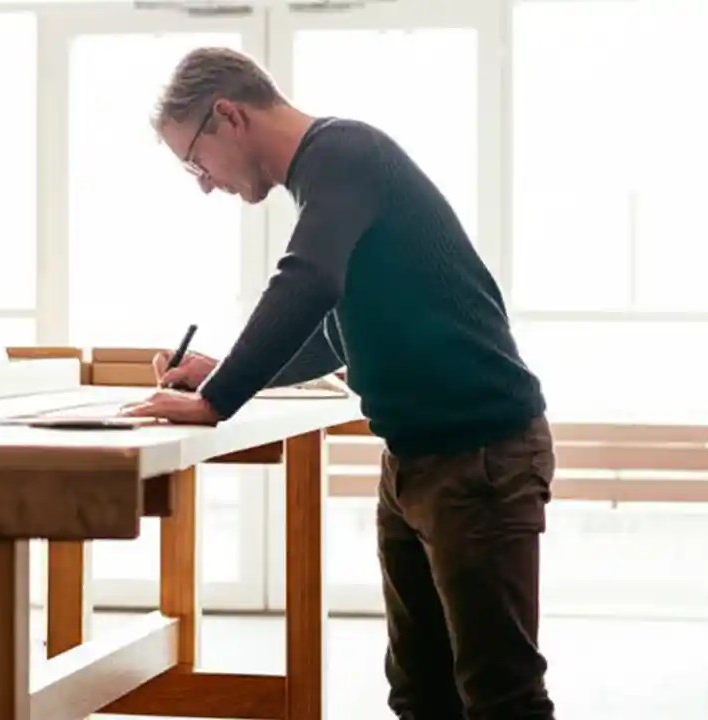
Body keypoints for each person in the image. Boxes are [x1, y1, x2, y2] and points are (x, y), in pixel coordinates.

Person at [121, 47, 557, 720]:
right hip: (415, 461)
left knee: (500, 695)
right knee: (419, 694)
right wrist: (224, 368)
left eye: (194, 161)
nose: (203, 183)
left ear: (228, 116)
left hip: (480, 456)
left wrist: (216, 400)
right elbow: (335, 331)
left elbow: (309, 280)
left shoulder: (344, 154)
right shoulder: (334, 174)